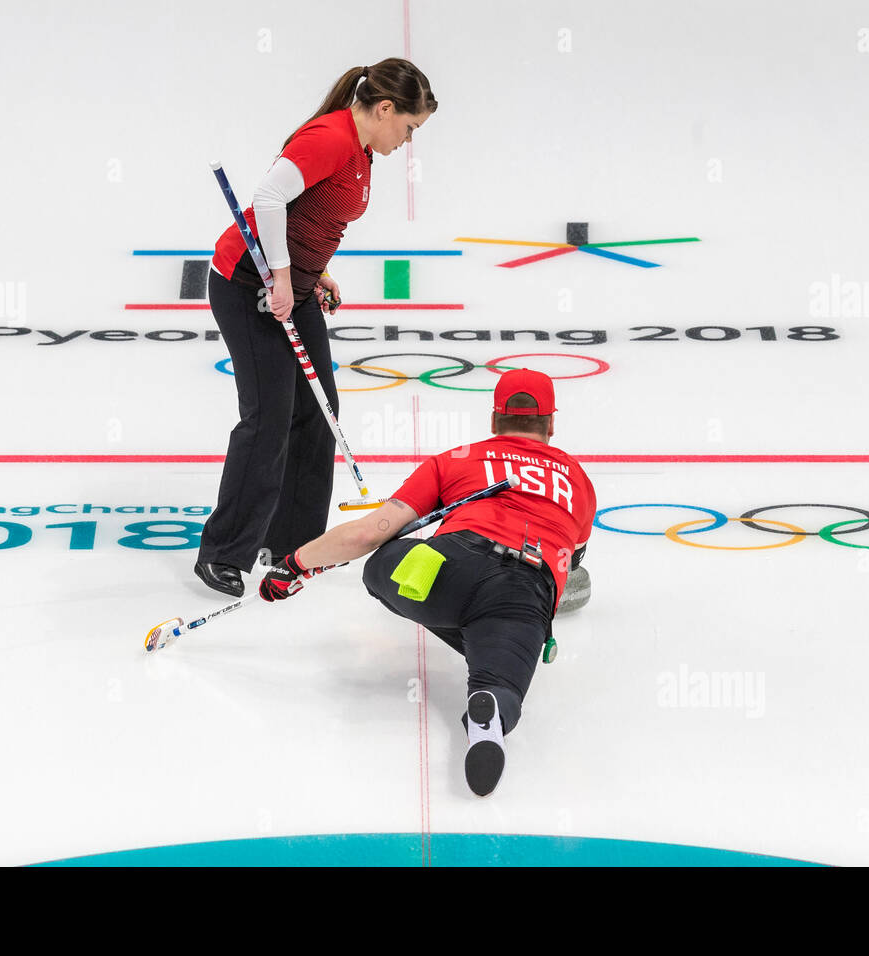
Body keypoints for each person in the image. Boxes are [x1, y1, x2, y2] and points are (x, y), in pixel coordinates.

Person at [257, 369, 597, 796]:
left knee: (382, 562)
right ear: (551, 424)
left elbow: (367, 533)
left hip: (447, 565)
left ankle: (448, 598)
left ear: (494, 420)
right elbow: (576, 567)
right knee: (503, 685)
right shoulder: (579, 481)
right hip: (524, 586)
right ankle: (486, 719)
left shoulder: (455, 460)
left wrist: (295, 564)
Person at [194, 59, 438, 598]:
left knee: (317, 408)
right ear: (385, 108)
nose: (408, 140)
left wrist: (314, 272)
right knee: (269, 416)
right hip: (247, 285)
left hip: (293, 285)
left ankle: (293, 545)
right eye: (409, 128)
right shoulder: (330, 138)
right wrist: (282, 276)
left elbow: (310, 214)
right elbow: (268, 198)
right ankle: (223, 552)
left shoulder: (363, 147)